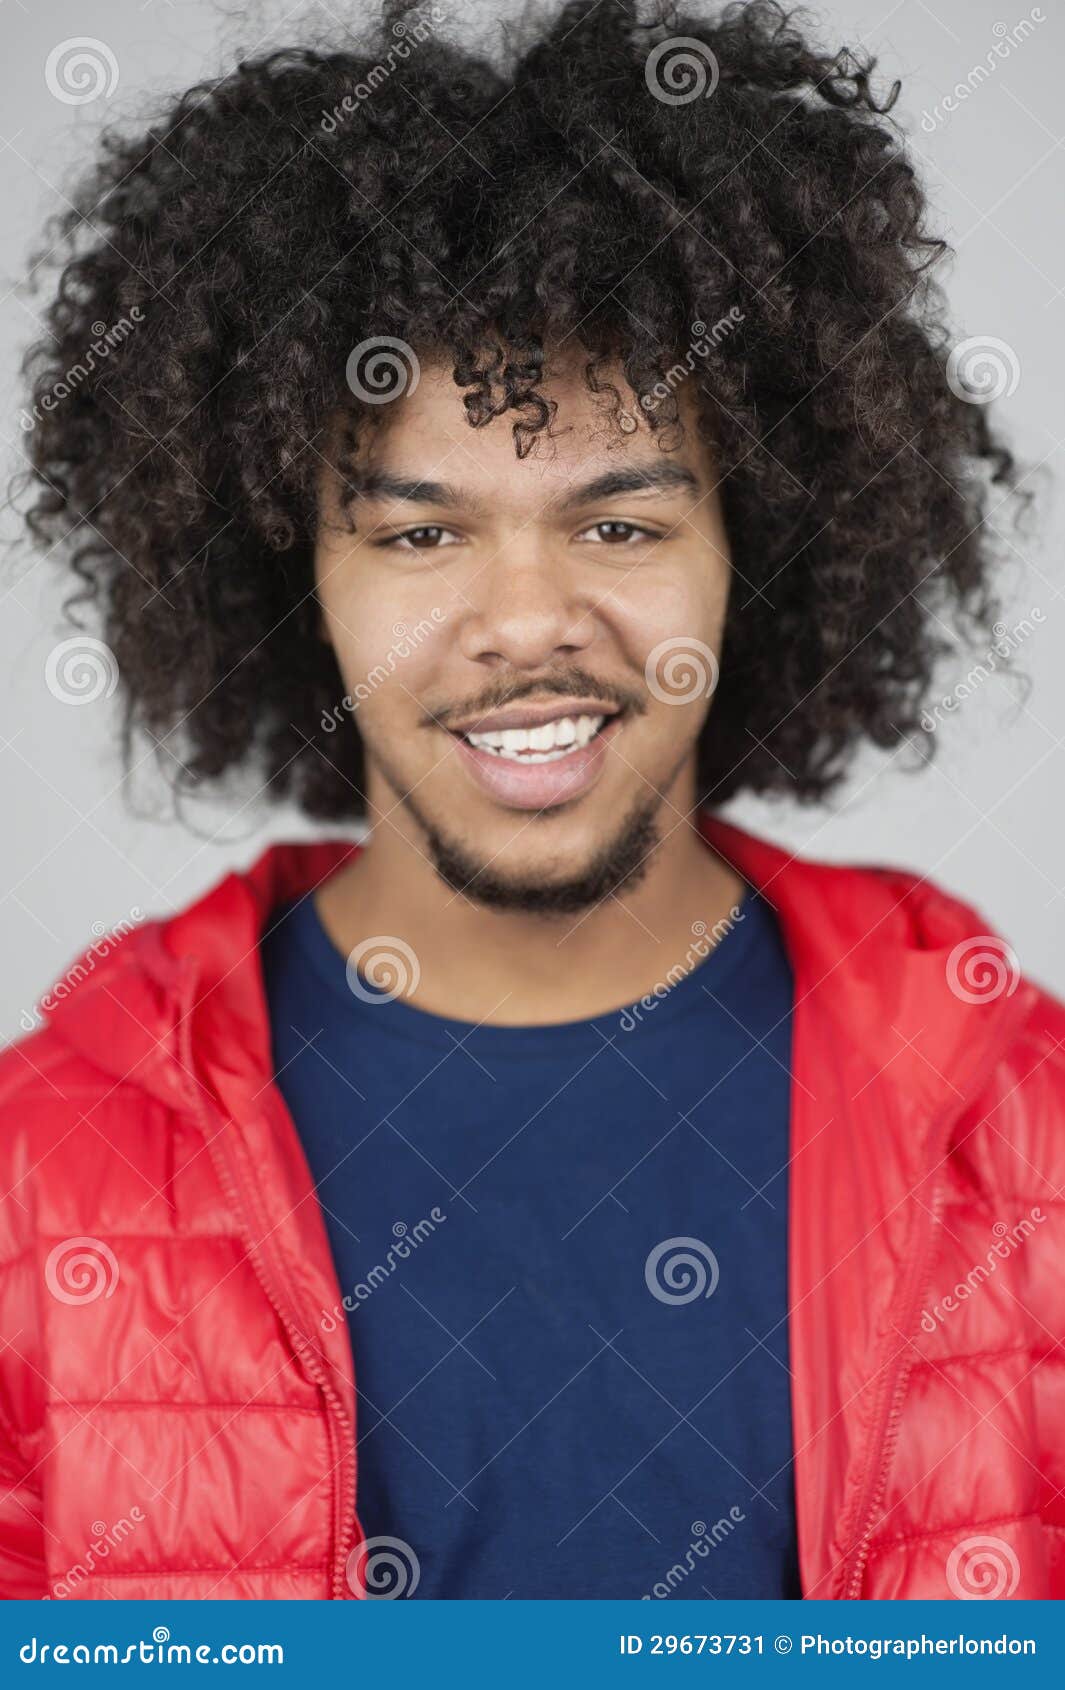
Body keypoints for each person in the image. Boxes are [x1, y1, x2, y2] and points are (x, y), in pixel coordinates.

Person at [3, 0, 1062, 1602]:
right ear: (288, 578)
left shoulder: (1022, 1127)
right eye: (419, 533)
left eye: (620, 525)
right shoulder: (47, 1160)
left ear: (755, 554)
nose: (526, 619)